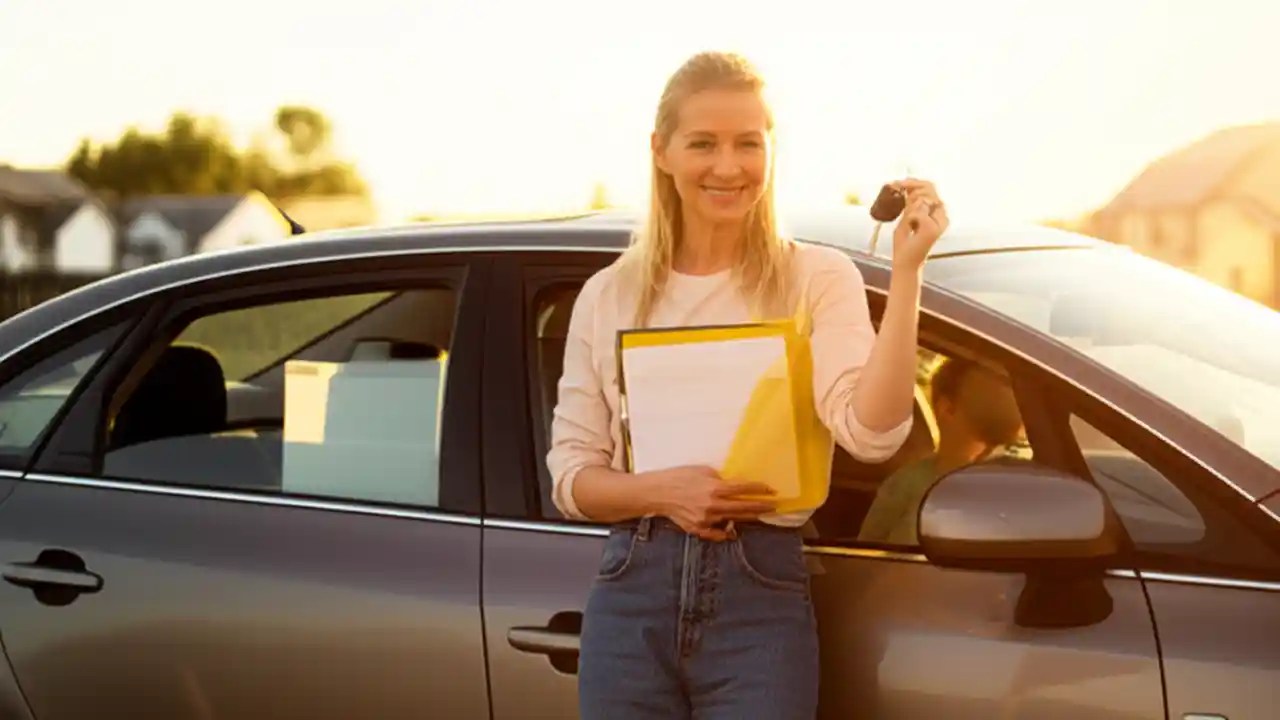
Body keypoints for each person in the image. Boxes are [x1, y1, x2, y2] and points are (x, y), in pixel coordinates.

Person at [546, 50, 949, 719]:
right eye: (703, 143)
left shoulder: (816, 277)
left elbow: (871, 434)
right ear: (662, 151)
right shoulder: (609, 295)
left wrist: (907, 276)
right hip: (630, 591)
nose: (728, 166)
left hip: (760, 592)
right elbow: (571, 476)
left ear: (771, 151)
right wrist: (661, 492)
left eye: (747, 144)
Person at [858, 356, 1026, 546]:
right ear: (948, 409)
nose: (1007, 390)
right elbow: (865, 559)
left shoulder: (1025, 482)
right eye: (998, 381)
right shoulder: (905, 484)